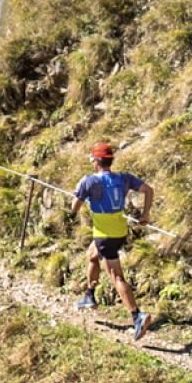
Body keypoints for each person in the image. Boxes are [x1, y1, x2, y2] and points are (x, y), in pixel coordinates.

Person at [67, 141, 154, 340]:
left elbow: (74, 208)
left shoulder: (89, 181)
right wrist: (145, 214)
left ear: (96, 161)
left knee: (117, 277)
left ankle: (137, 315)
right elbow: (148, 190)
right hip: (118, 231)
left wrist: (78, 192)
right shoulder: (123, 178)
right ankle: (90, 295)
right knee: (91, 255)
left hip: (104, 235)